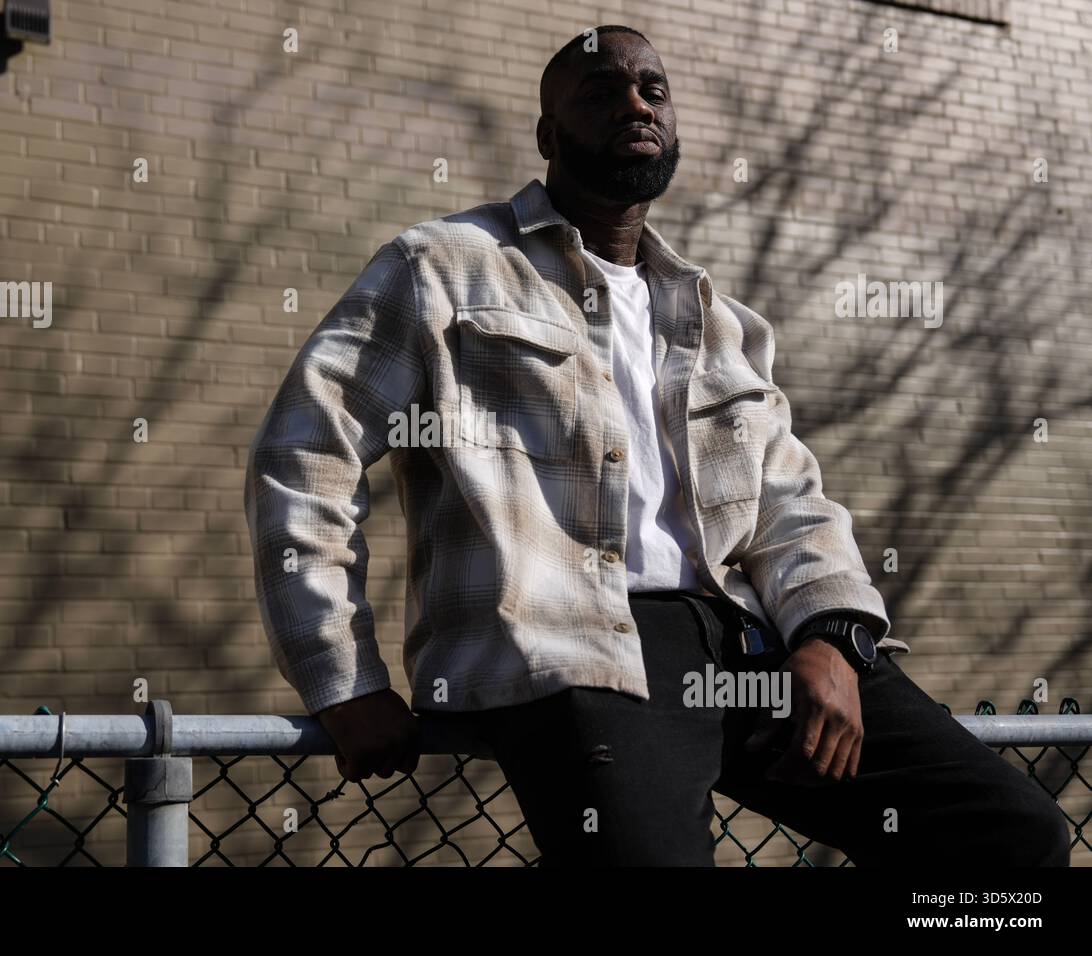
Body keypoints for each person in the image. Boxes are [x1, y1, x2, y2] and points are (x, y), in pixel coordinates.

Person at [243, 25, 1071, 866]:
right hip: (575, 643)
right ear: (547, 134)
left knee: (1012, 835)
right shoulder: (445, 267)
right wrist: (343, 674)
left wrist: (831, 634)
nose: (635, 103)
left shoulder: (716, 319)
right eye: (601, 91)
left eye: (653, 90)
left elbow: (791, 506)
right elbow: (305, 451)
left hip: (748, 641)